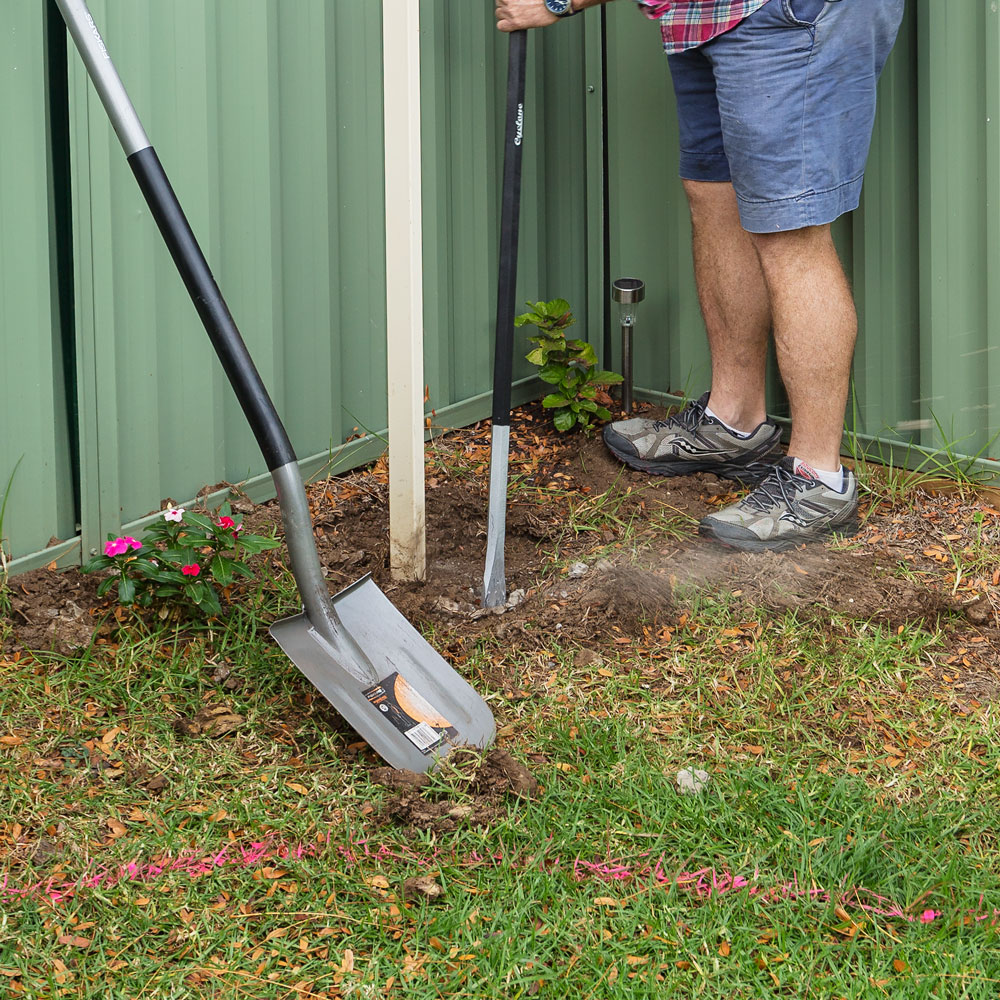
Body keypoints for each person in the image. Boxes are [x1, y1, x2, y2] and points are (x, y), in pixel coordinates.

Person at [495, 0, 905, 552]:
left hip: (787, 15)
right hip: (706, 14)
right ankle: (732, 422)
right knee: (716, 198)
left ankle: (818, 480)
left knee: (790, 230)